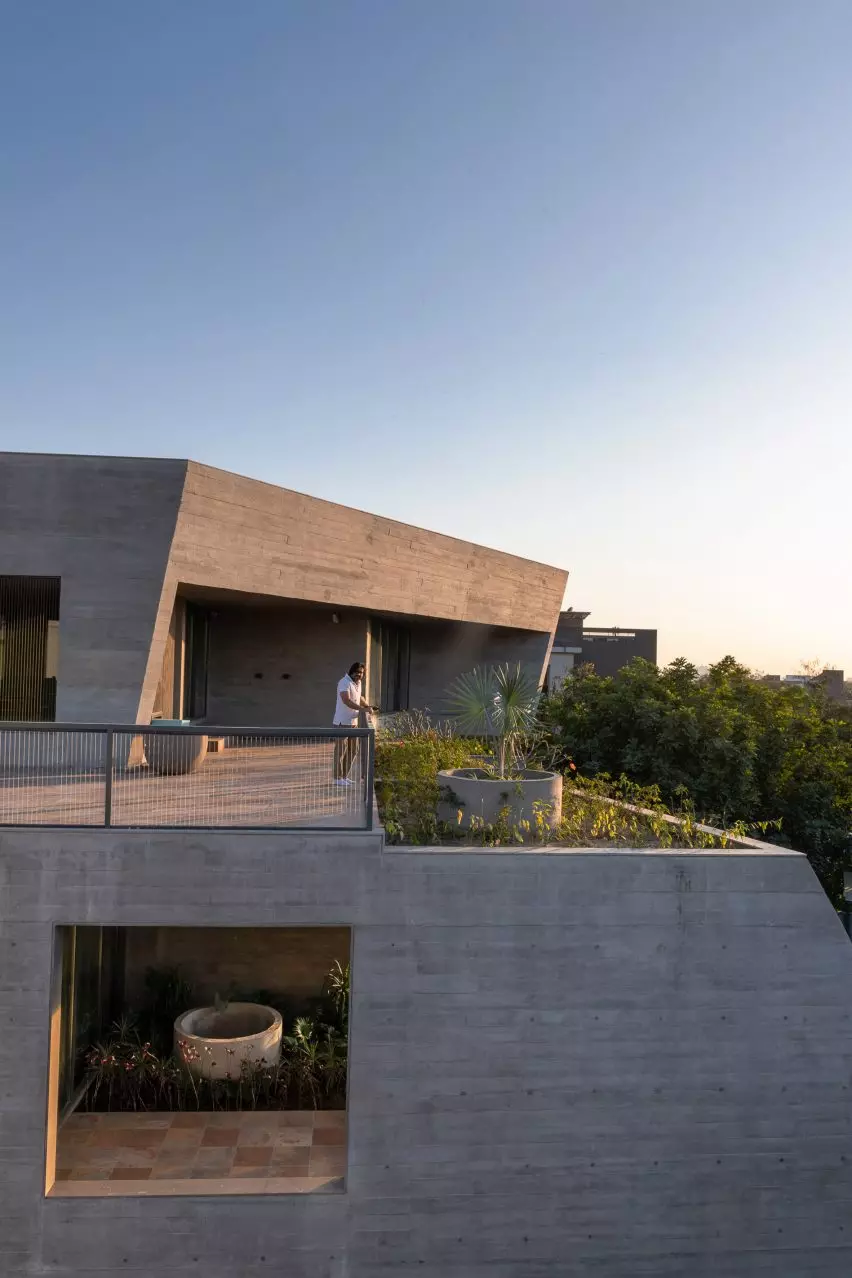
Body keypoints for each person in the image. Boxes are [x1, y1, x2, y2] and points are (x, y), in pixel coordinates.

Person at [333, 662, 376, 784]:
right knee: (341, 750)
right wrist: (362, 710)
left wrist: (367, 705)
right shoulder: (344, 682)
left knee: (353, 749)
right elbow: (346, 700)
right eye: (357, 672)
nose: (359, 675)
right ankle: (337, 778)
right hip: (342, 722)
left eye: (361, 673)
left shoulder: (358, 683)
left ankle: (344, 776)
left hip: (353, 722)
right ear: (352, 671)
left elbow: (359, 696)